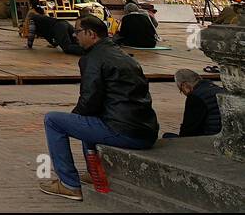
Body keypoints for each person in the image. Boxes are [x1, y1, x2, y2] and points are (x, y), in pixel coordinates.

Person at [40, 16, 159, 200]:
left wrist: (74, 121)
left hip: (122, 130)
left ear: (91, 34)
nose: (75, 35)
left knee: (54, 120)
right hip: (145, 129)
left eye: (78, 31)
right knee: (86, 121)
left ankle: (69, 184)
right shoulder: (122, 55)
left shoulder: (94, 58)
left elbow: (89, 100)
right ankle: (93, 170)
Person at [164, 69, 224, 139]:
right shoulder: (218, 89)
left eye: (181, 90)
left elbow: (188, 131)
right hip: (224, 136)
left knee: (166, 136)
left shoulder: (195, 97)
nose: (183, 93)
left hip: (209, 139)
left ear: (185, 85)